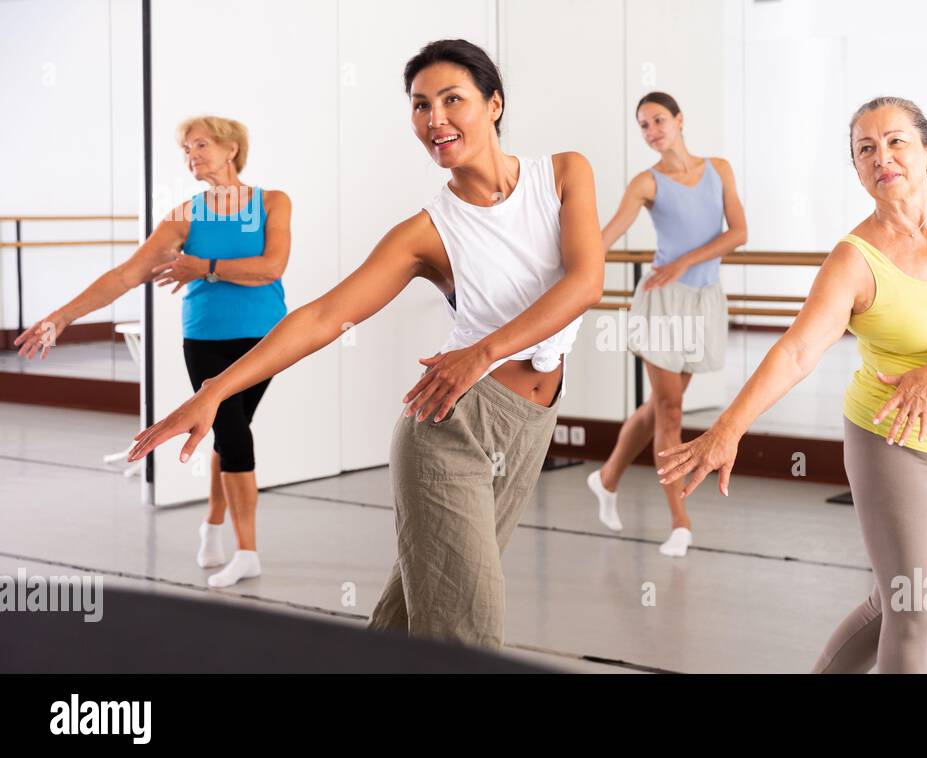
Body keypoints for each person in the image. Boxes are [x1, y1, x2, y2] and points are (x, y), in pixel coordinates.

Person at [128, 39, 604, 649]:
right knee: (465, 629)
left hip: (527, 426)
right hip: (451, 432)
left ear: (494, 104)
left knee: (414, 618)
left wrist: (482, 351)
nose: (434, 119)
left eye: (451, 99)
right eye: (419, 105)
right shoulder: (425, 233)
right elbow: (325, 315)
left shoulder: (564, 174)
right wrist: (215, 391)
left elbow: (585, 283)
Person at [657, 97, 927, 672]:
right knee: (914, 614)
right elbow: (799, 349)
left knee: (898, 604)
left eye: (895, 141)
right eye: (865, 149)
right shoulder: (853, 260)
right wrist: (728, 429)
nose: (881, 156)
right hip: (892, 443)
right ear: (858, 171)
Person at [15, 115, 291, 588]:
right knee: (230, 431)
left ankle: (211, 523)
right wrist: (62, 315)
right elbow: (127, 274)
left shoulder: (272, 202)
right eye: (185, 149)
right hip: (205, 340)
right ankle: (247, 551)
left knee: (231, 432)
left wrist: (202, 266)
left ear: (230, 149)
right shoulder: (184, 215)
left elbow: (270, 267)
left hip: (266, 337)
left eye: (200, 144)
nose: (191, 155)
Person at [585, 91, 747, 557]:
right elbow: (609, 233)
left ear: (679, 120)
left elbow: (739, 232)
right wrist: (571, 267)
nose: (652, 131)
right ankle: (680, 522)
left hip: (703, 300)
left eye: (658, 120)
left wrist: (684, 262)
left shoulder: (719, 169)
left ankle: (607, 477)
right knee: (672, 410)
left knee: (661, 406)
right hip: (662, 303)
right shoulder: (646, 183)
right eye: (643, 125)